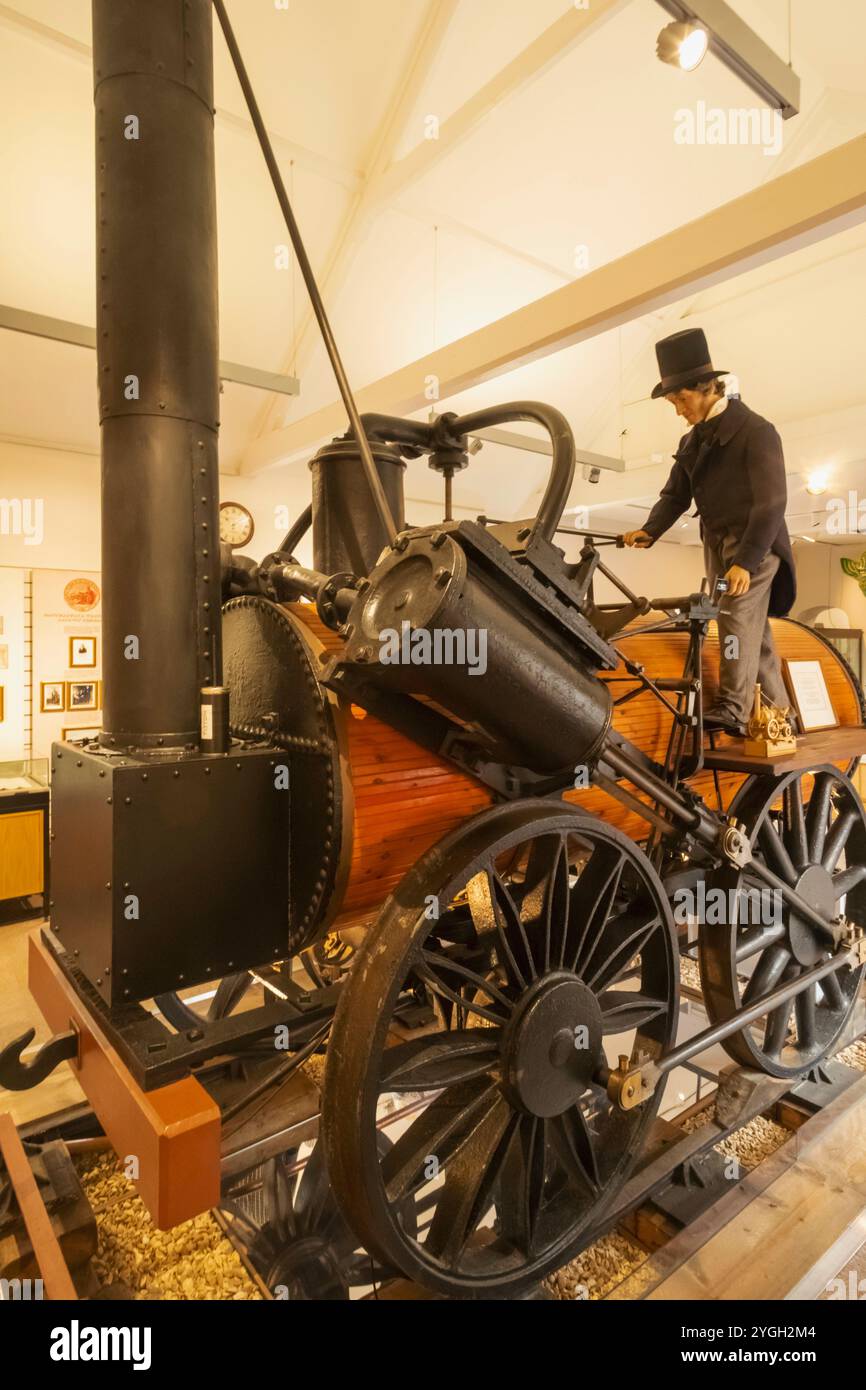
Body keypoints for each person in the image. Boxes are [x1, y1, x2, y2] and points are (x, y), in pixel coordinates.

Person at [623, 327, 795, 735]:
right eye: (672, 402)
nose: (678, 409)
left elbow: (772, 503)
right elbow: (675, 494)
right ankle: (780, 715)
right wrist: (650, 530)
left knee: (734, 615)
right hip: (716, 542)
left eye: (681, 399)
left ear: (707, 388)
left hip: (755, 543)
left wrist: (746, 563)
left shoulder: (756, 431)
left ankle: (734, 709)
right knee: (756, 632)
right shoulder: (692, 439)